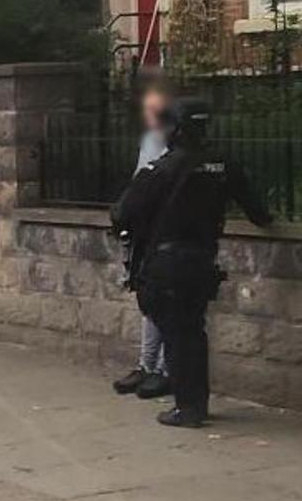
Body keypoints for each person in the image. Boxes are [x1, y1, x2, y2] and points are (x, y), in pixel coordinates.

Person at [112, 98, 273, 428]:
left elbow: (122, 214)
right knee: (193, 335)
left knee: (178, 337)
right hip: (202, 261)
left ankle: (188, 408)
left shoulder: (162, 170)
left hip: (166, 264)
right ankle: (195, 403)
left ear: (175, 129)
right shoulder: (223, 164)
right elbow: (258, 211)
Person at [113, 82, 172, 399]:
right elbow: (140, 181)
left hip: (169, 232)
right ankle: (146, 365)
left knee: (170, 305)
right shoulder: (150, 139)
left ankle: (164, 369)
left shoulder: (176, 146)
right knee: (148, 302)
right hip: (145, 231)